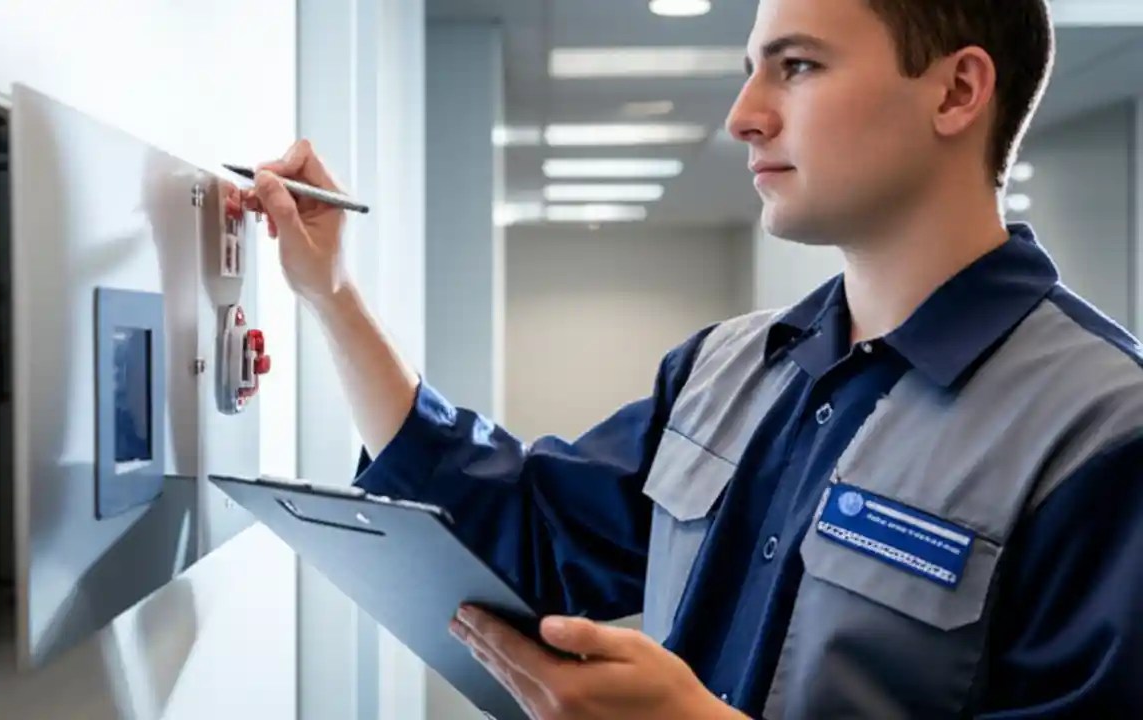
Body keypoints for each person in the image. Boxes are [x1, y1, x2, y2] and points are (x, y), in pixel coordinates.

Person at [245, 0, 1143, 716]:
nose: (744, 116)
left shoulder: (1103, 428)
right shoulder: (726, 369)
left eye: (797, 66)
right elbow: (523, 535)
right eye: (750, 69)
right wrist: (330, 296)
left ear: (956, 92)